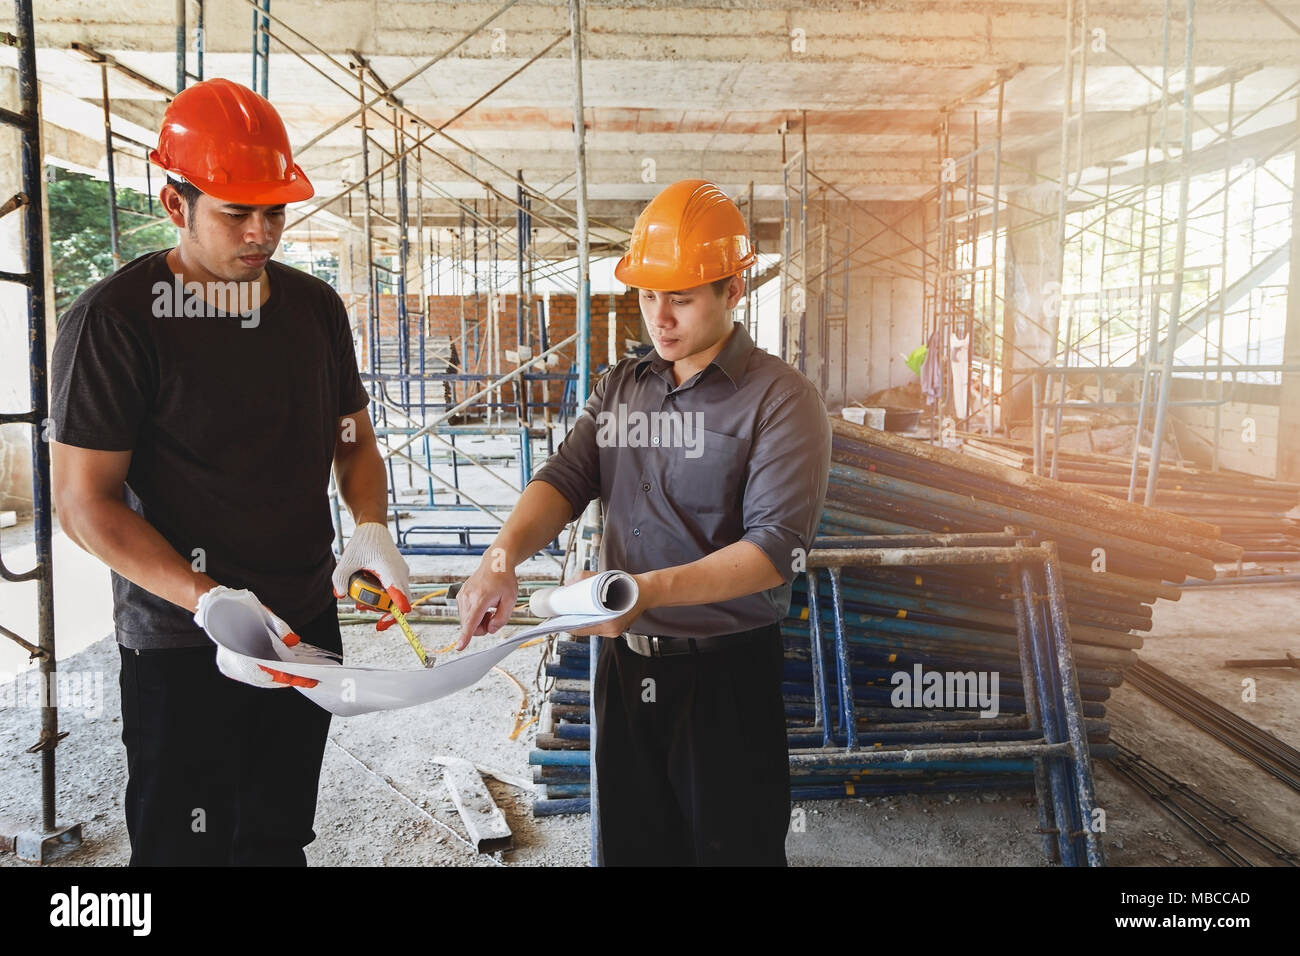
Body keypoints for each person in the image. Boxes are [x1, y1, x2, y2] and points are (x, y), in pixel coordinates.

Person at [49, 78, 409, 866]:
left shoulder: (314, 311)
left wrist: (370, 526)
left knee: (277, 838)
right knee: (188, 849)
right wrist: (205, 598)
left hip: (303, 627)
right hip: (187, 641)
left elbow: (351, 438)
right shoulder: (116, 322)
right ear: (175, 205)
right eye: (235, 212)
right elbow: (83, 504)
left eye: (274, 211)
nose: (261, 233)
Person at [454, 179, 831, 866]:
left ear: (732, 289)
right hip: (626, 672)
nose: (660, 317)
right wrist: (499, 560)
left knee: (732, 851)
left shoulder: (781, 400)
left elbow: (776, 549)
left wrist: (643, 591)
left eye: (681, 297)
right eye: (648, 295)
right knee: (632, 848)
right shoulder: (624, 385)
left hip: (724, 682)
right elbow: (567, 478)